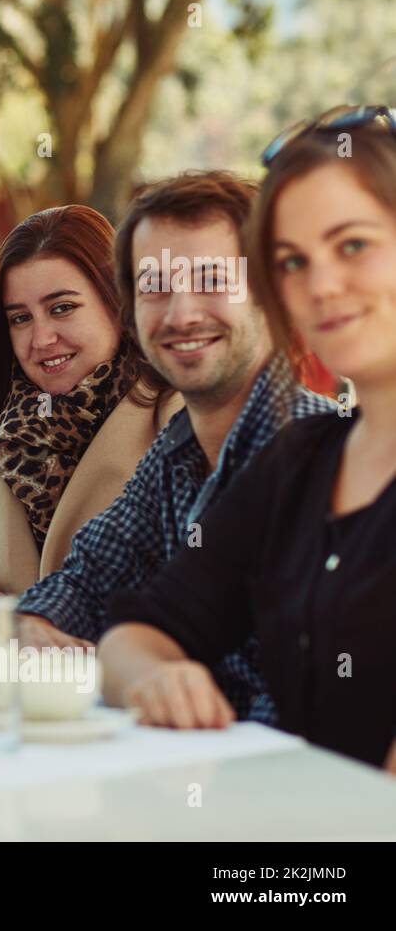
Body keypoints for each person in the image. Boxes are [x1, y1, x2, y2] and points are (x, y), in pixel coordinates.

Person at [100, 109, 396, 772]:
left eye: (352, 245)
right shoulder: (306, 459)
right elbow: (139, 631)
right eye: (292, 261)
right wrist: (152, 677)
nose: (320, 286)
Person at [14, 172, 335, 723]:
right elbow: (83, 586)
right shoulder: (175, 452)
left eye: (212, 279)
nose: (181, 313)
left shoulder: (321, 455)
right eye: (155, 286)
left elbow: (315, 706)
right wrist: (35, 628)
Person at [0, 205, 179, 596]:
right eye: (20, 318)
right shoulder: (5, 420)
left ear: (118, 303)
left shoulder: (178, 416)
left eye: (62, 309)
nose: (41, 339)